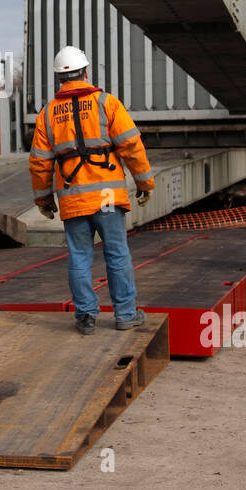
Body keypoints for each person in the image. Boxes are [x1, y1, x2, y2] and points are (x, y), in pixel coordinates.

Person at [29, 45, 155, 335]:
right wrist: (144, 182)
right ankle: (125, 314)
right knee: (117, 254)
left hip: (73, 198)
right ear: (86, 72)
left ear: (59, 79)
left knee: (79, 257)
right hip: (108, 197)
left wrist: (43, 198)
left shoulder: (47, 114)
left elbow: (39, 162)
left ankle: (86, 316)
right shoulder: (107, 103)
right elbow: (131, 145)